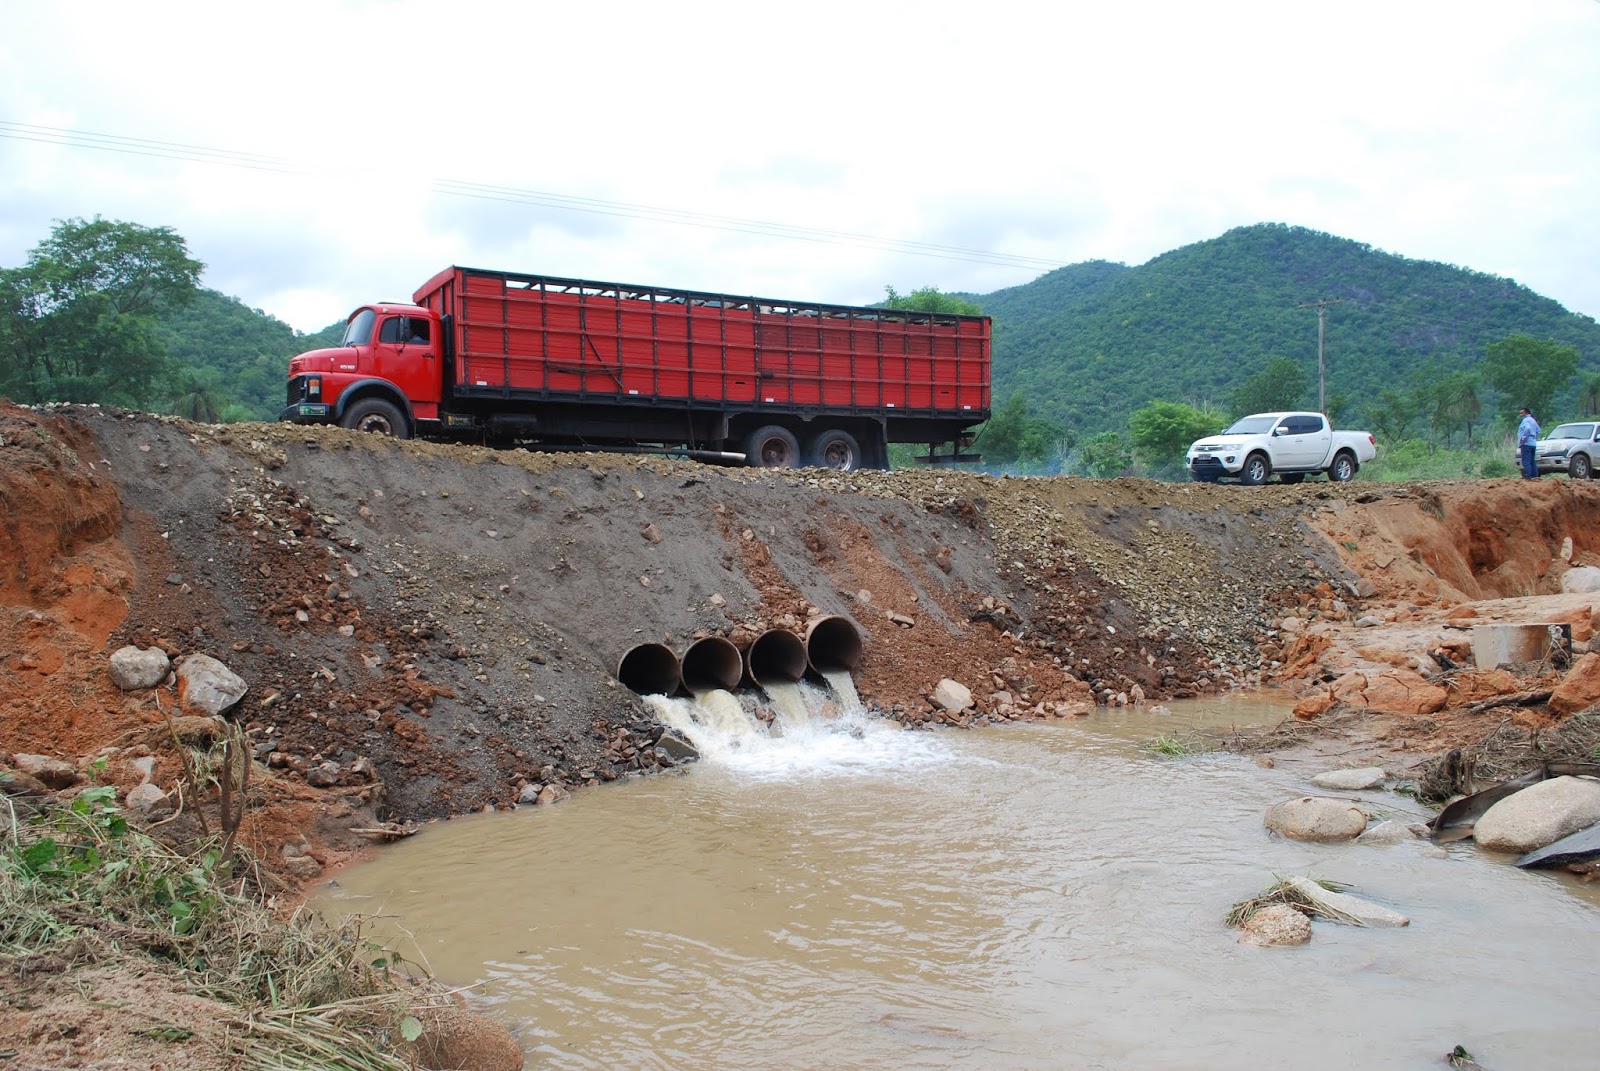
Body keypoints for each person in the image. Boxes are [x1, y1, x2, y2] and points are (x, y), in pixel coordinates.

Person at [1518, 406, 1541, 480]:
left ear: (1526, 413)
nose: (1520, 415)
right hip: (1533, 443)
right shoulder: (1533, 420)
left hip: (1526, 444)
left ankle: (1528, 476)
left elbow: (1527, 428)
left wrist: (1523, 438)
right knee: (1532, 461)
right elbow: (1538, 430)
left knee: (1526, 461)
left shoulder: (1525, 420)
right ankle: (1535, 476)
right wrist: (1534, 437)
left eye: (1522, 413)